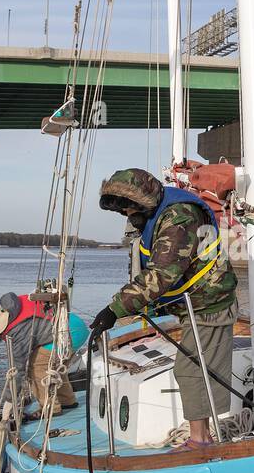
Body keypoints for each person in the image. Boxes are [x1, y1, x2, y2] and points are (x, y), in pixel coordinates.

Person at [92, 168, 238, 451]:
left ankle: (201, 441)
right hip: (192, 304)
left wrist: (114, 309)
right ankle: (202, 436)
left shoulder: (179, 218)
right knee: (193, 368)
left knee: (190, 369)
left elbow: (161, 274)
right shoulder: (156, 213)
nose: (125, 213)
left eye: (127, 206)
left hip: (210, 304)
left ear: (142, 200)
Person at [0, 292, 81, 416]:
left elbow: (17, 369)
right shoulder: (15, 306)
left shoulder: (17, 331)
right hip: (75, 325)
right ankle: (67, 401)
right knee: (55, 366)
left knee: (36, 366)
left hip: (67, 334)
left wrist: (9, 400)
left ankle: (51, 409)